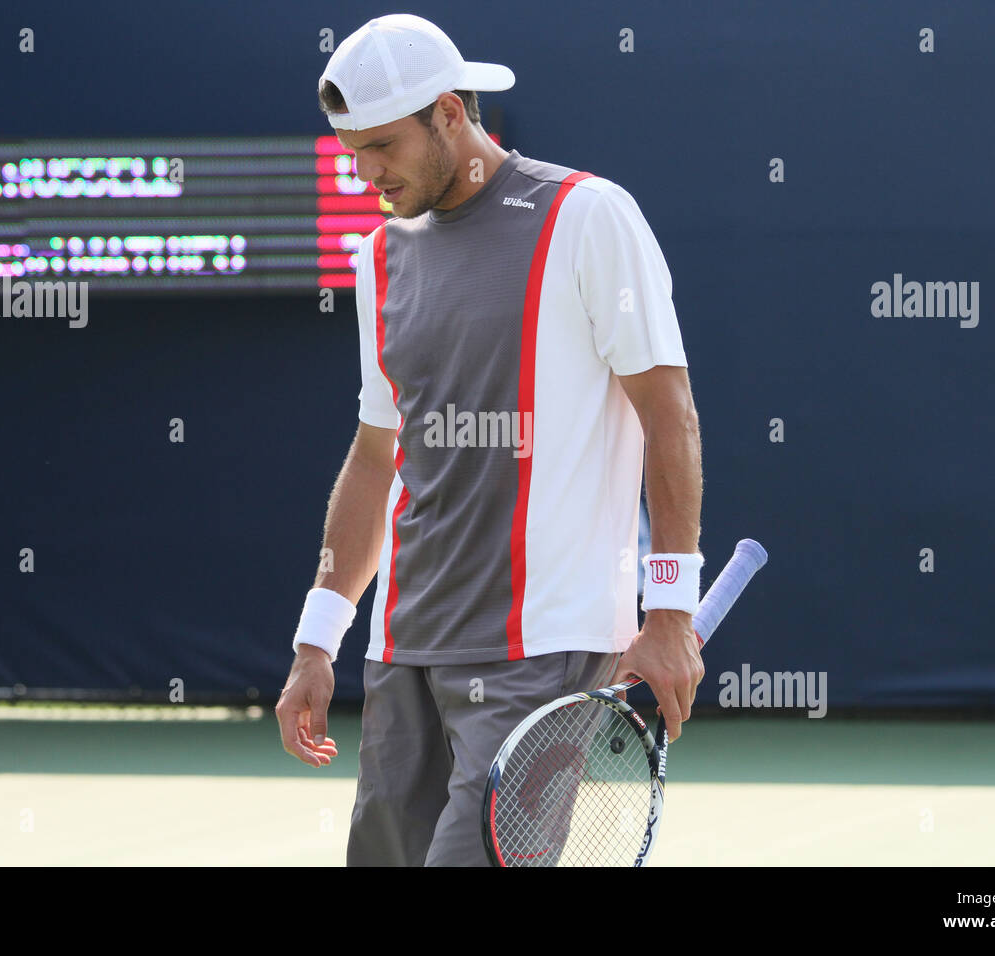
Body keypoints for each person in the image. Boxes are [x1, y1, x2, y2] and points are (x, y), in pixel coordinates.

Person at [275, 13, 706, 866]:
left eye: (383, 148)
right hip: (405, 650)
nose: (367, 175)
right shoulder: (376, 258)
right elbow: (376, 453)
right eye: (351, 153)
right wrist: (318, 639)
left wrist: (669, 610)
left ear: (448, 113)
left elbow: (670, 417)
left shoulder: (589, 216)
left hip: (542, 652)